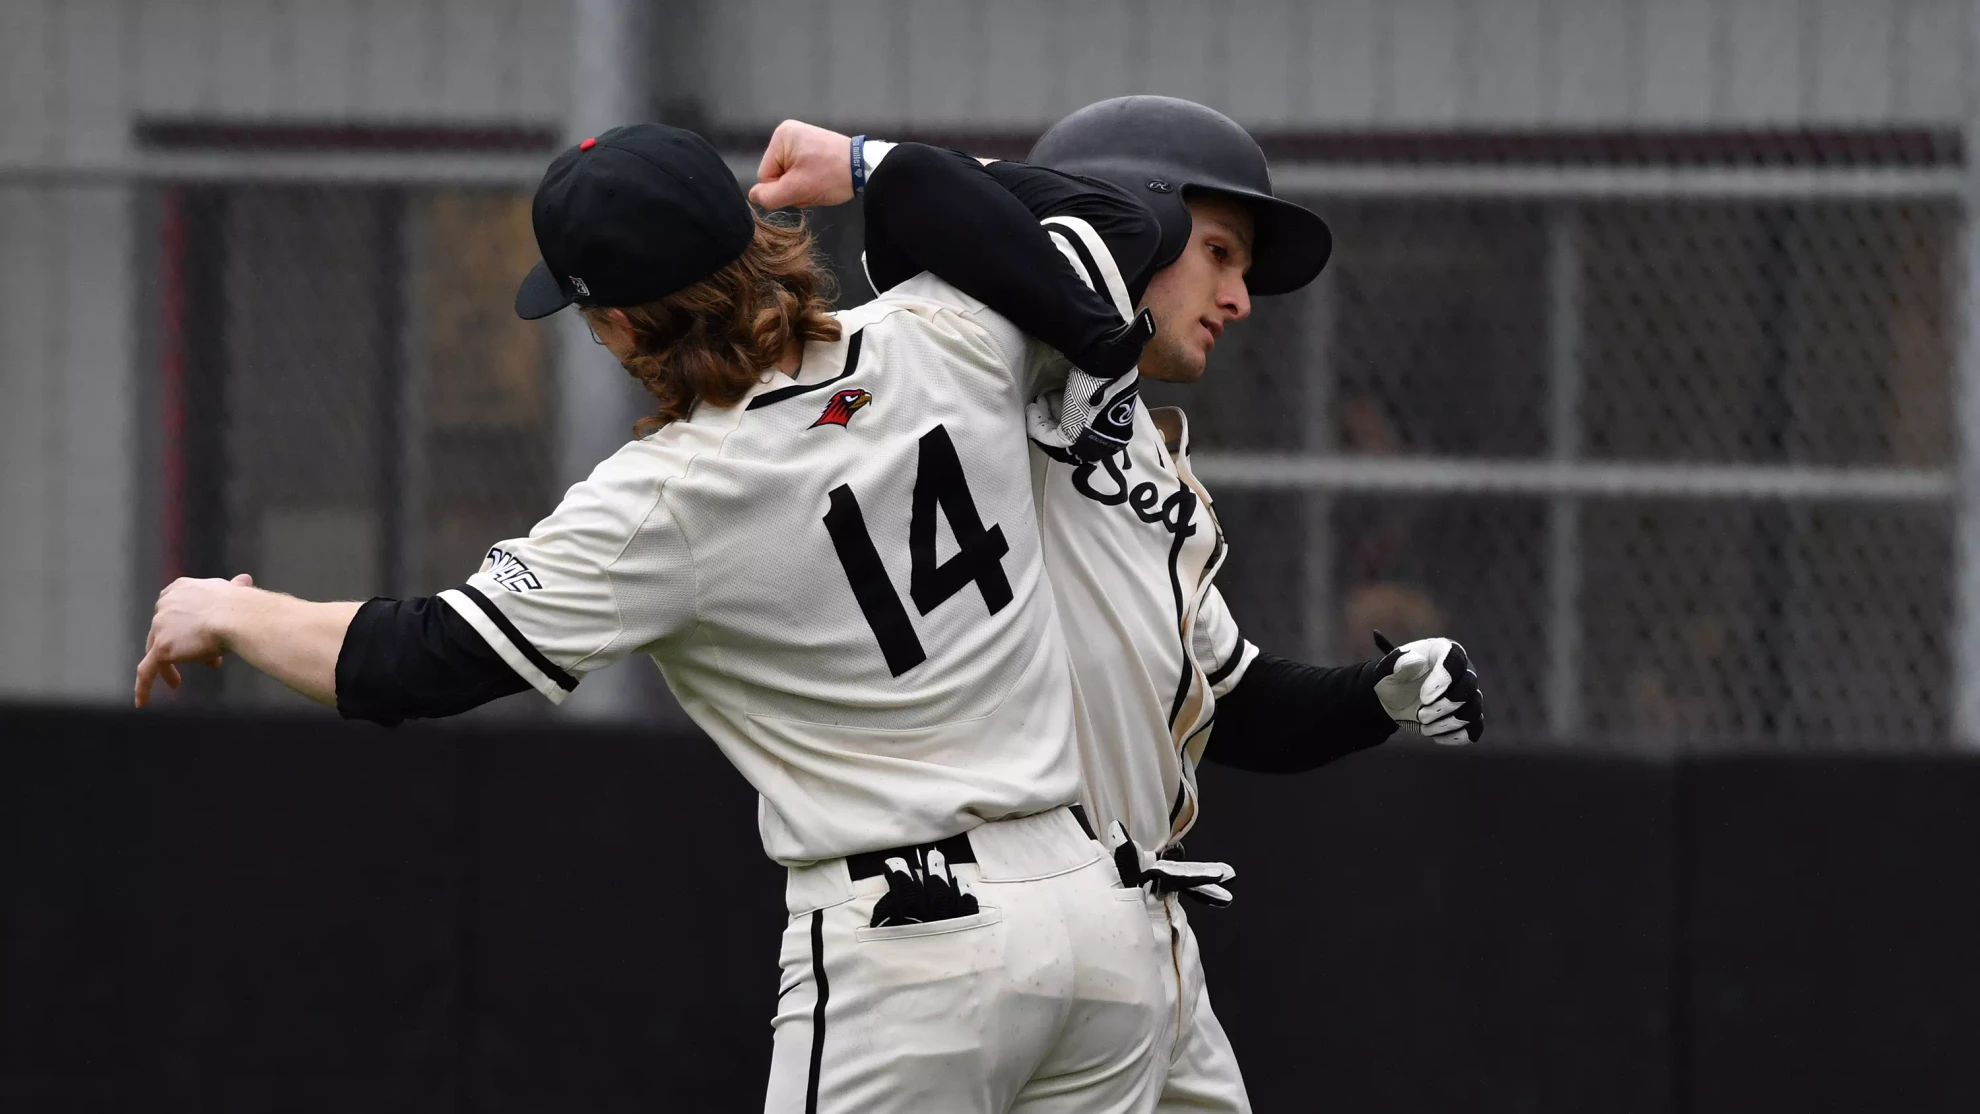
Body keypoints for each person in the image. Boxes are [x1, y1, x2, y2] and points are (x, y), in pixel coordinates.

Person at [134, 122, 1186, 1113]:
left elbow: (421, 660)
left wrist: (231, 610)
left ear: (623, 322)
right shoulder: (948, 327)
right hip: (1095, 918)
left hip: (915, 945)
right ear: (757, 238)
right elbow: (1128, 220)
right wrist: (869, 161)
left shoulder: (670, 496)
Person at [750, 97, 1487, 1113]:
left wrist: (1380, 696)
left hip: (1137, 939)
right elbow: (958, 224)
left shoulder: (1144, 445)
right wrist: (870, 163)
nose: (1239, 297)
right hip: (972, 922)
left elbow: (1230, 699)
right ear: (1129, 220)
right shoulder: (1006, 363)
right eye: (1221, 254)